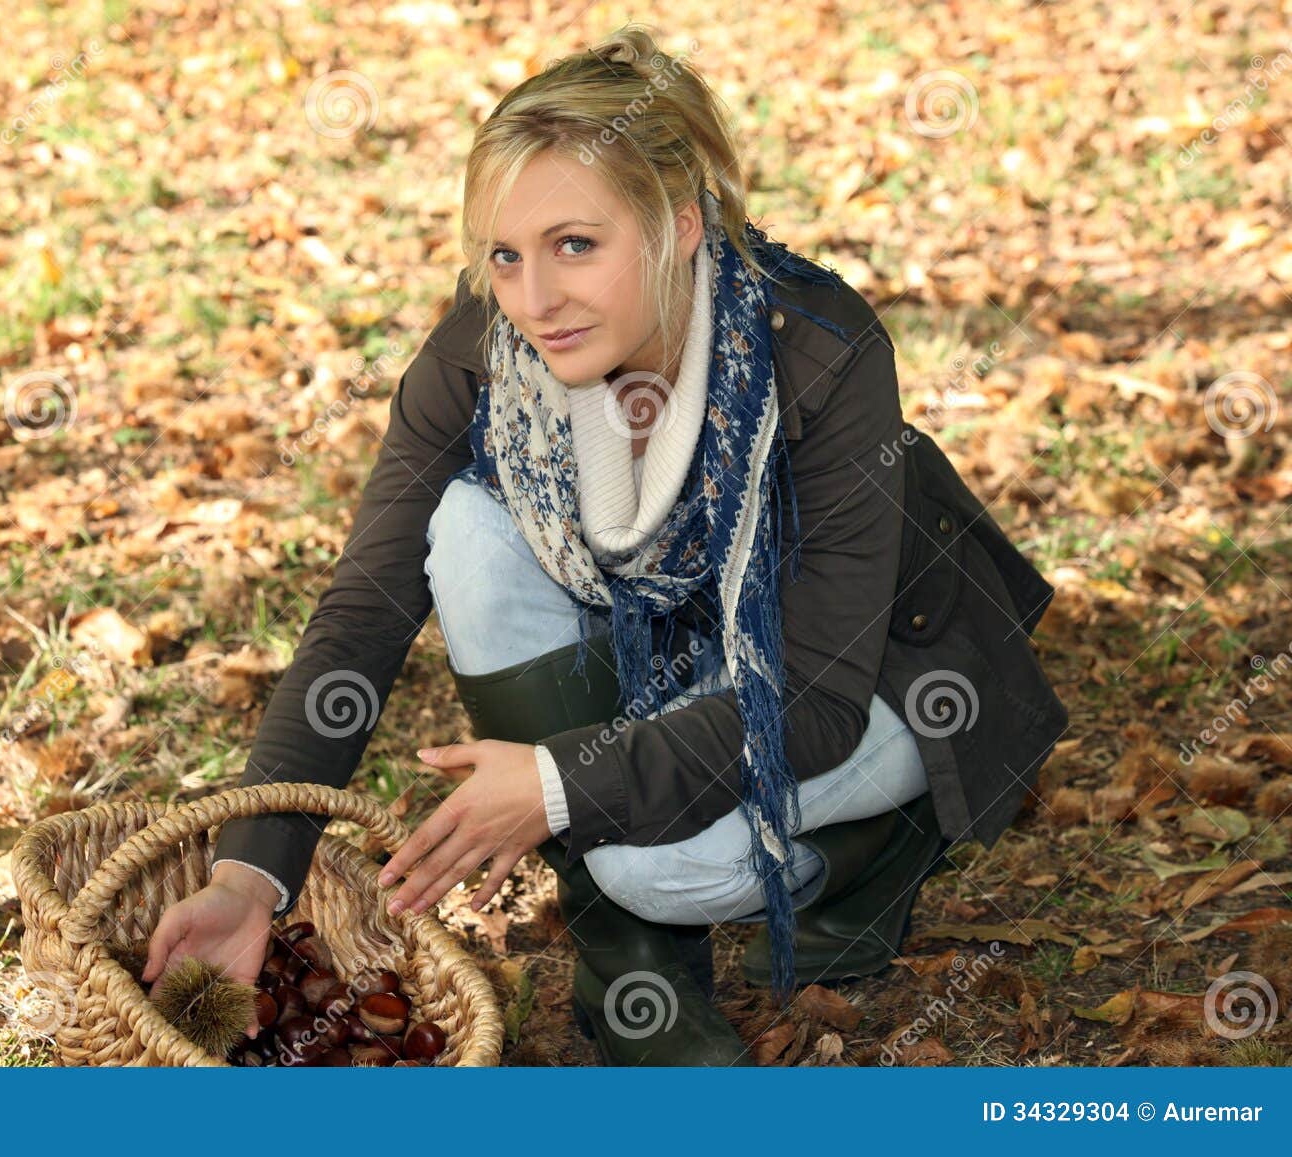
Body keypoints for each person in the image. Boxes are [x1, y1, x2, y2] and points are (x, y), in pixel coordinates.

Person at [145, 23, 1069, 1066]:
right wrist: (248, 872)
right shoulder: (486, 348)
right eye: (505, 254)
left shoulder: (817, 346)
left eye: (575, 244)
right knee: (465, 525)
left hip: (872, 673)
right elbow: (363, 608)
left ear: (678, 226)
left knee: (665, 862)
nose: (534, 299)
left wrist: (555, 785)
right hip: (671, 660)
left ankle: (874, 852)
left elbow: (810, 699)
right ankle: (631, 966)